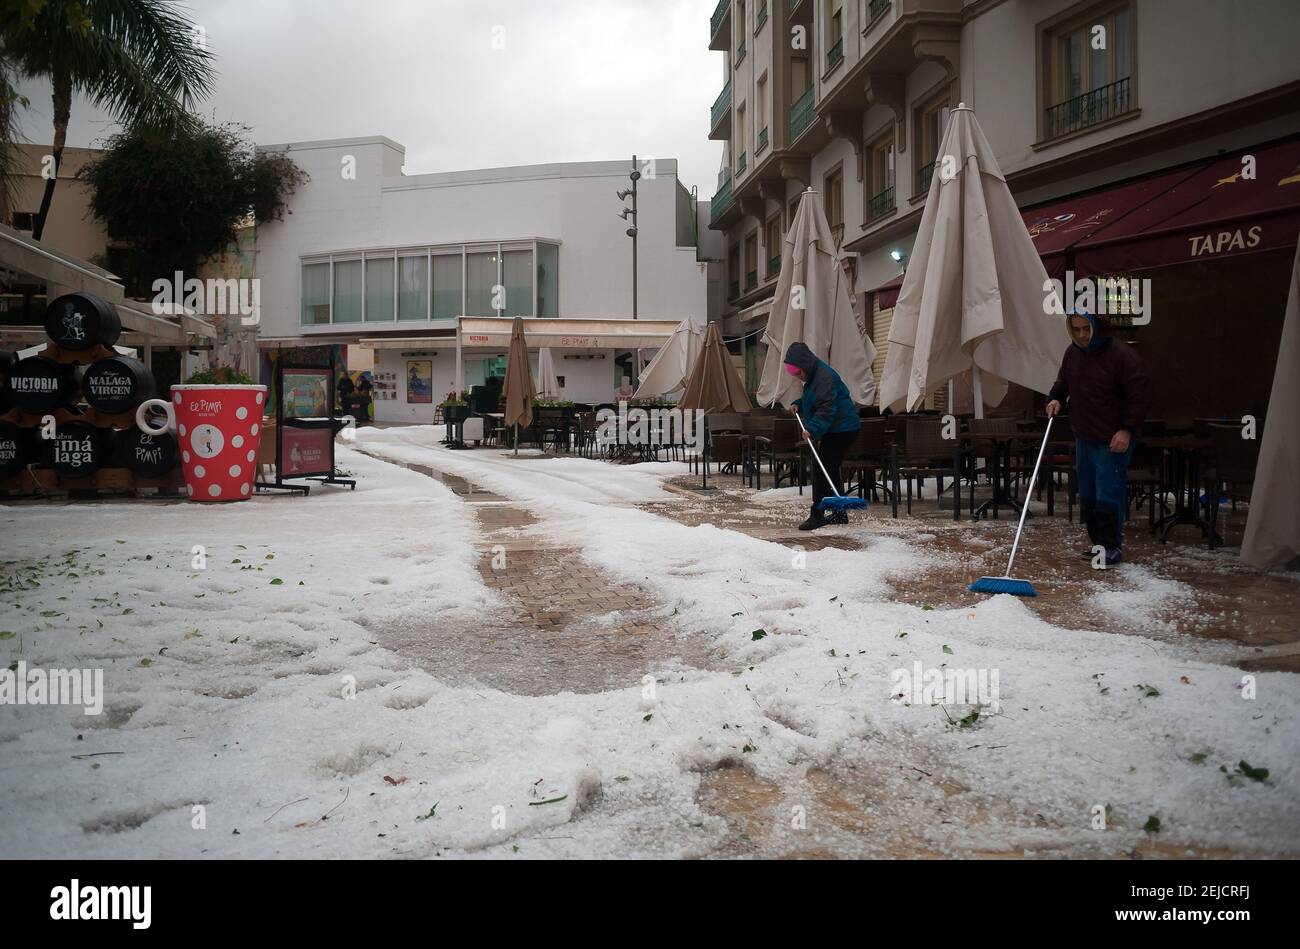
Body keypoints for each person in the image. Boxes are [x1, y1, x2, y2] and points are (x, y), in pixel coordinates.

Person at [1046, 309, 1151, 566]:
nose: (1082, 335)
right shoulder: (1073, 354)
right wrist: (1055, 398)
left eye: (1086, 329)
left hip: (1112, 436)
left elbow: (1140, 396)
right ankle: (1098, 544)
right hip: (1084, 434)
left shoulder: (1122, 356)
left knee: (1108, 491)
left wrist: (1127, 429)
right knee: (1089, 492)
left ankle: (1111, 546)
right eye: (1077, 329)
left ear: (1098, 328)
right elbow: (1063, 382)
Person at [784, 342, 861, 531]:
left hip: (843, 429)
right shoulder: (814, 375)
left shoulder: (823, 377)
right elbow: (813, 398)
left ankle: (817, 515)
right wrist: (799, 404)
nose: (797, 376)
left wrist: (813, 428)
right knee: (830, 469)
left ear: (805, 364)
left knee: (821, 470)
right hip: (836, 429)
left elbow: (827, 408)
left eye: (797, 371)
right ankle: (840, 512)